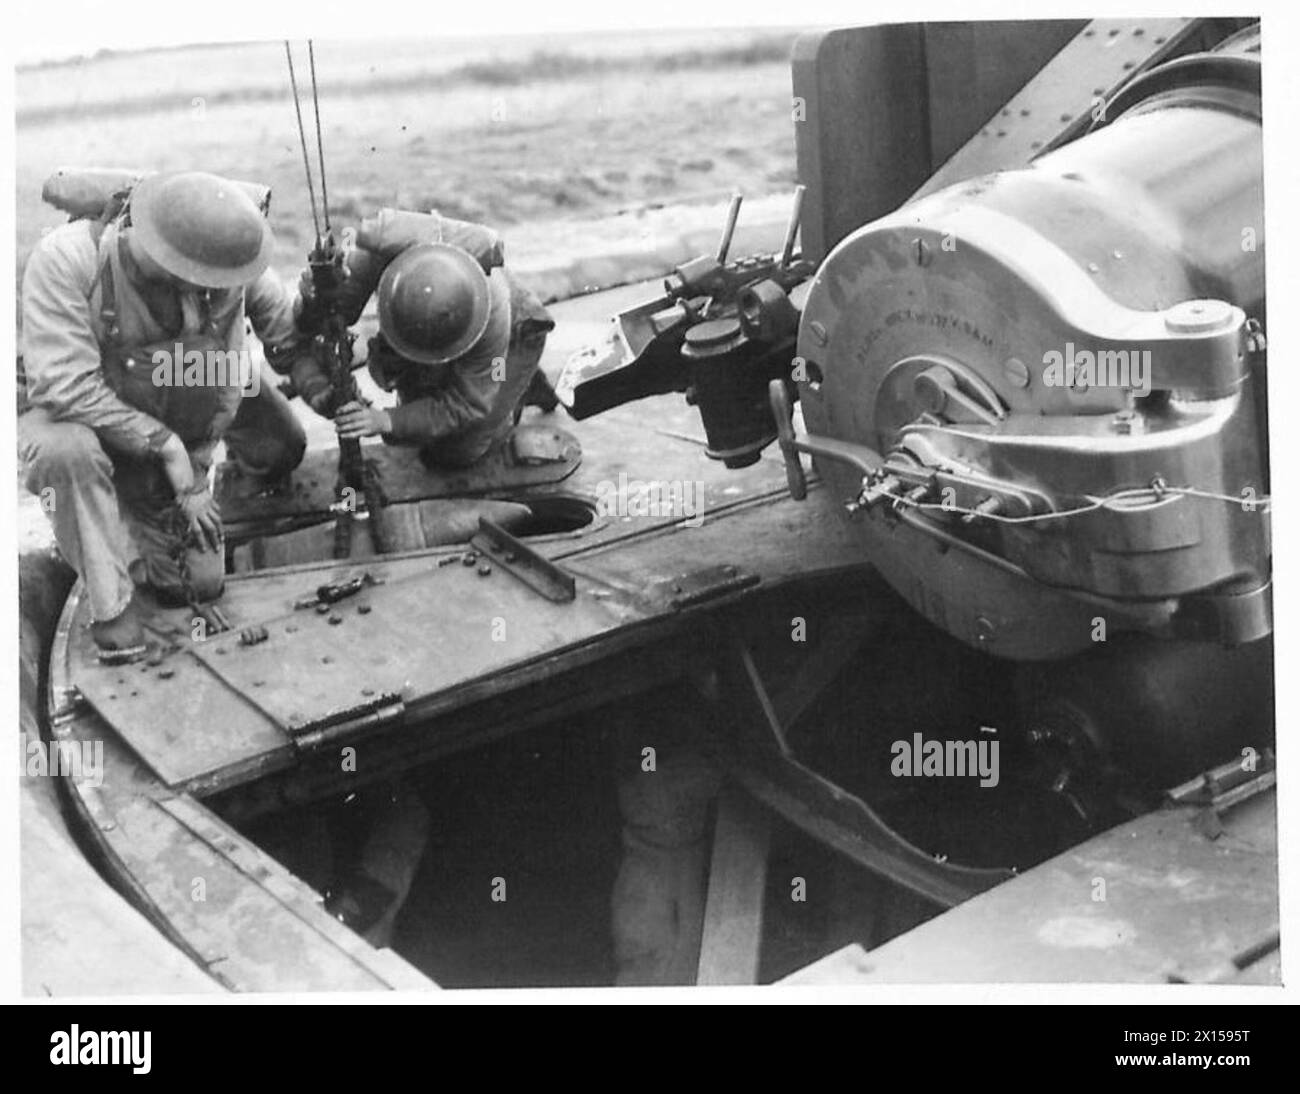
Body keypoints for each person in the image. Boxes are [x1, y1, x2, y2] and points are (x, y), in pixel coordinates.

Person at [19, 170, 311, 662]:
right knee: (65, 453)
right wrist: (168, 448)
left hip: (164, 430)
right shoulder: (68, 260)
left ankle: (137, 512)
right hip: (75, 419)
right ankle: (109, 604)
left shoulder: (223, 262)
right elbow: (64, 386)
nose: (213, 290)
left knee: (195, 584)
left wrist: (324, 372)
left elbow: (283, 341)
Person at [291, 208, 555, 466]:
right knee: (412, 431)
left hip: (515, 338)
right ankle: (506, 383)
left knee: (455, 453)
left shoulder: (492, 321)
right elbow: (332, 313)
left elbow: (469, 406)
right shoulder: (378, 254)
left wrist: (386, 420)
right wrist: (314, 296)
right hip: (448, 334)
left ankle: (518, 384)